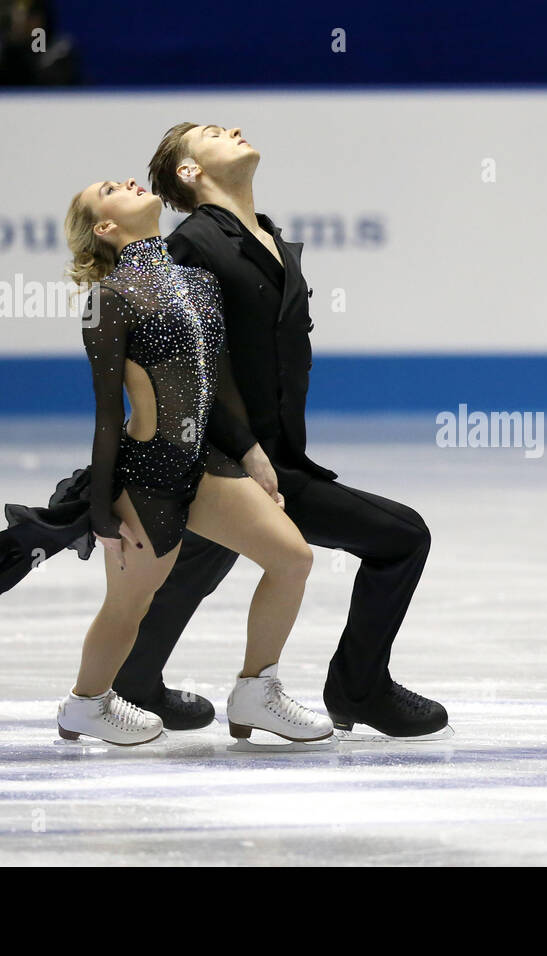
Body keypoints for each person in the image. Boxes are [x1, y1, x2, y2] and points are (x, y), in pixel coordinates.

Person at [0, 176, 332, 748]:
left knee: (292, 559)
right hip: (148, 477)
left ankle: (257, 691)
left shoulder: (200, 283)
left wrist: (253, 456)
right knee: (129, 604)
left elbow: (222, 386)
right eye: (111, 189)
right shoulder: (108, 300)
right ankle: (86, 705)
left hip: (206, 465)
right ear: (106, 228)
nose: (129, 182)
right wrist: (101, 506)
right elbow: (107, 413)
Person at [111, 122, 448, 739]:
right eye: (213, 133)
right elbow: (192, 368)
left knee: (203, 559)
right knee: (401, 538)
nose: (234, 130)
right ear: (191, 172)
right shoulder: (192, 247)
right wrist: (244, 454)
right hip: (232, 457)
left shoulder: (270, 238)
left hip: (270, 453)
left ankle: (133, 678)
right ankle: (359, 688)